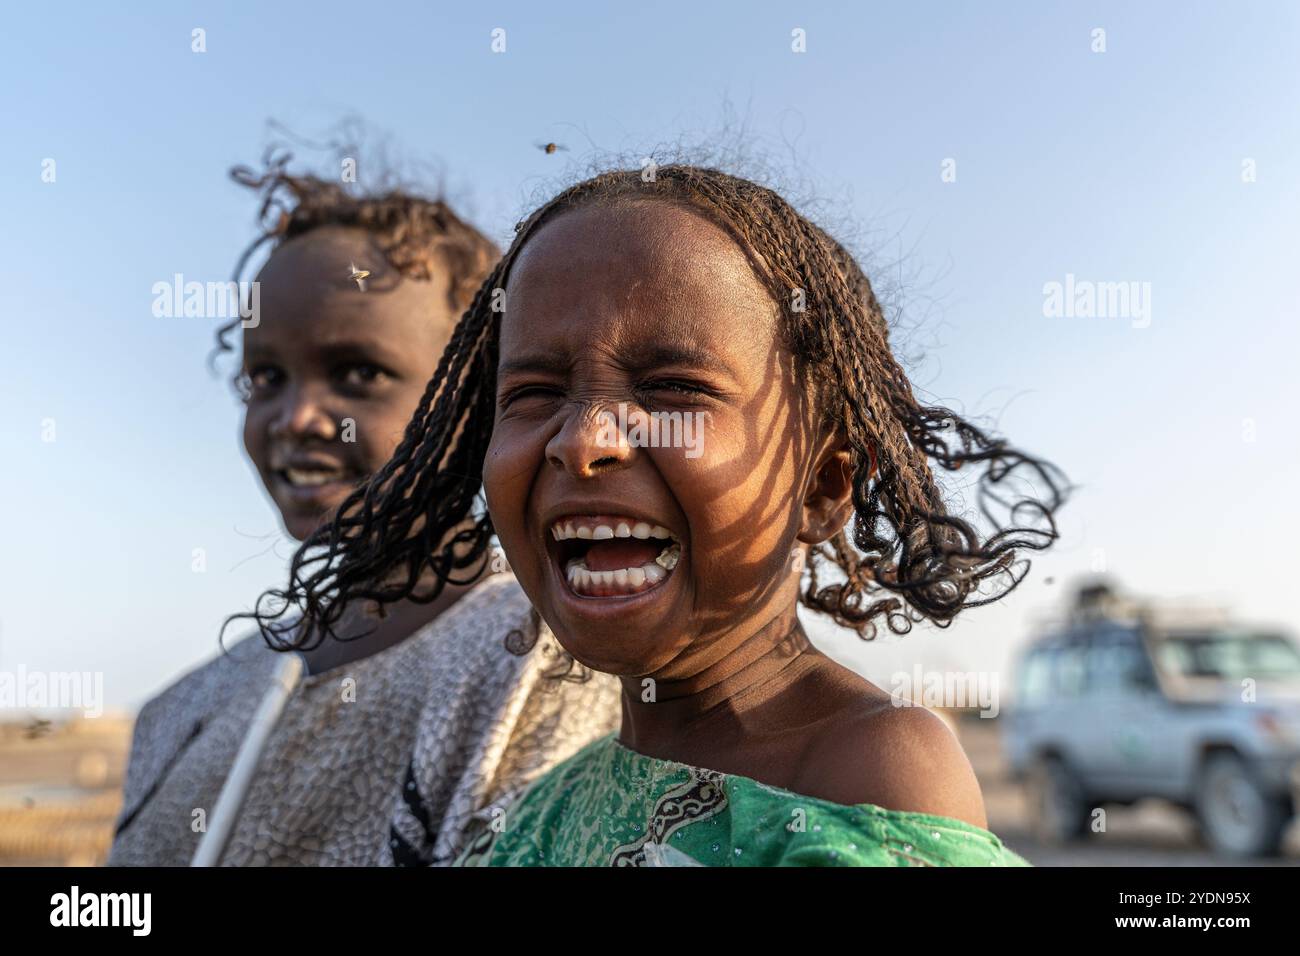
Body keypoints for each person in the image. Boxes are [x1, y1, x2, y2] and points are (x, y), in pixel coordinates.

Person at [257, 164, 1066, 866]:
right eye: (534, 394)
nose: (582, 442)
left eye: (673, 388)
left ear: (821, 487)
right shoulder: (541, 809)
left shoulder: (873, 772)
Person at [109, 154, 620, 866]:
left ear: (479, 396)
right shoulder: (188, 707)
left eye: (359, 373)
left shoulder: (540, 666)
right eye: (265, 377)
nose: (298, 417)